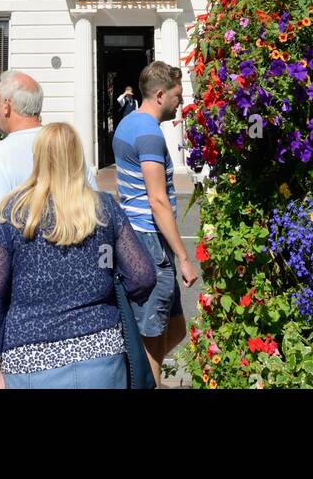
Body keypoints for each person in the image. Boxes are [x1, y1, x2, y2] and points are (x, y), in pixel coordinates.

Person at [0, 122, 156, 389]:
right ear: (77, 157)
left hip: (28, 360)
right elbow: (142, 275)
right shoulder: (103, 208)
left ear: (38, 157)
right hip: (101, 354)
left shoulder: (12, 212)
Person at [112, 60, 197, 388]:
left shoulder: (127, 124)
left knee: (173, 328)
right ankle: (149, 383)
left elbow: (124, 185)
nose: (180, 102)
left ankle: (147, 377)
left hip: (138, 235)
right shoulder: (148, 134)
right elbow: (158, 200)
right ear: (160, 94)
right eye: (177, 95)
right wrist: (184, 258)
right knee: (151, 332)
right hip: (149, 240)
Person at [0, 71, 97, 247]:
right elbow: (96, 208)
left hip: (25, 269)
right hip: (76, 259)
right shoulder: (65, 145)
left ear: (6, 106)